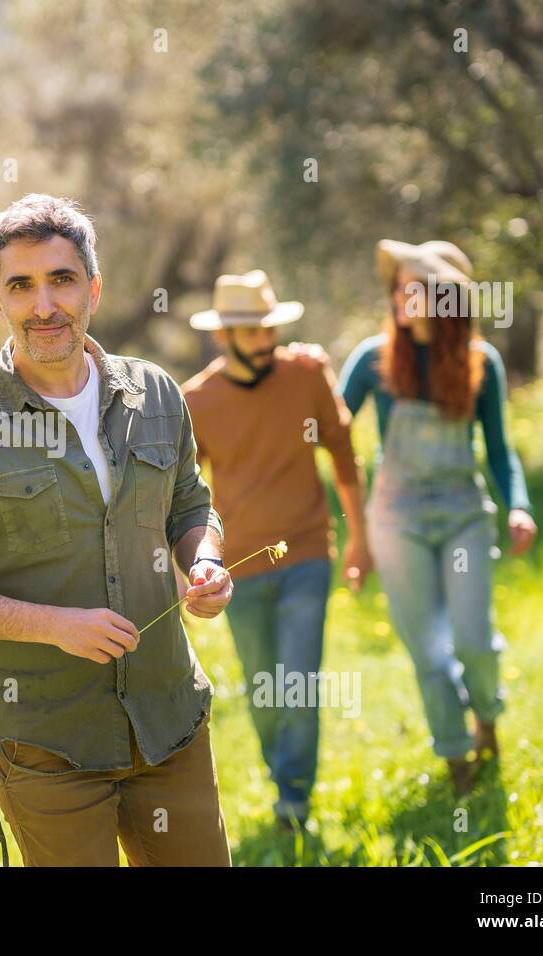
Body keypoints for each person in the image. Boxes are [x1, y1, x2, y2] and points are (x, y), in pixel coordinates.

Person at [0, 194, 234, 866]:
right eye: (21, 286)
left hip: (169, 723)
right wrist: (53, 625)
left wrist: (204, 562)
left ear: (94, 289)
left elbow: (190, 506)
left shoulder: (157, 394)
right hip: (46, 743)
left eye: (61, 280)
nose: (43, 305)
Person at [336, 239, 537, 795]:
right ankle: (456, 759)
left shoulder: (481, 362)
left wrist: (519, 504)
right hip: (395, 518)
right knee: (428, 648)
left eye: (415, 288)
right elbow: (333, 422)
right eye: (399, 287)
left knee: (472, 638)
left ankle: (487, 717)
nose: (402, 297)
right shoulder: (374, 359)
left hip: (462, 513)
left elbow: (499, 449)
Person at [182, 270, 370, 831]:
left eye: (269, 328)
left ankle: (294, 797)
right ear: (225, 336)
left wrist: (359, 537)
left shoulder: (308, 373)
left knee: (299, 681)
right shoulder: (197, 399)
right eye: (250, 332)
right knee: (263, 685)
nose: (264, 340)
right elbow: (187, 497)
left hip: (307, 553)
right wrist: (186, 565)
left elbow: (343, 454)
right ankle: (280, 771)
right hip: (240, 564)